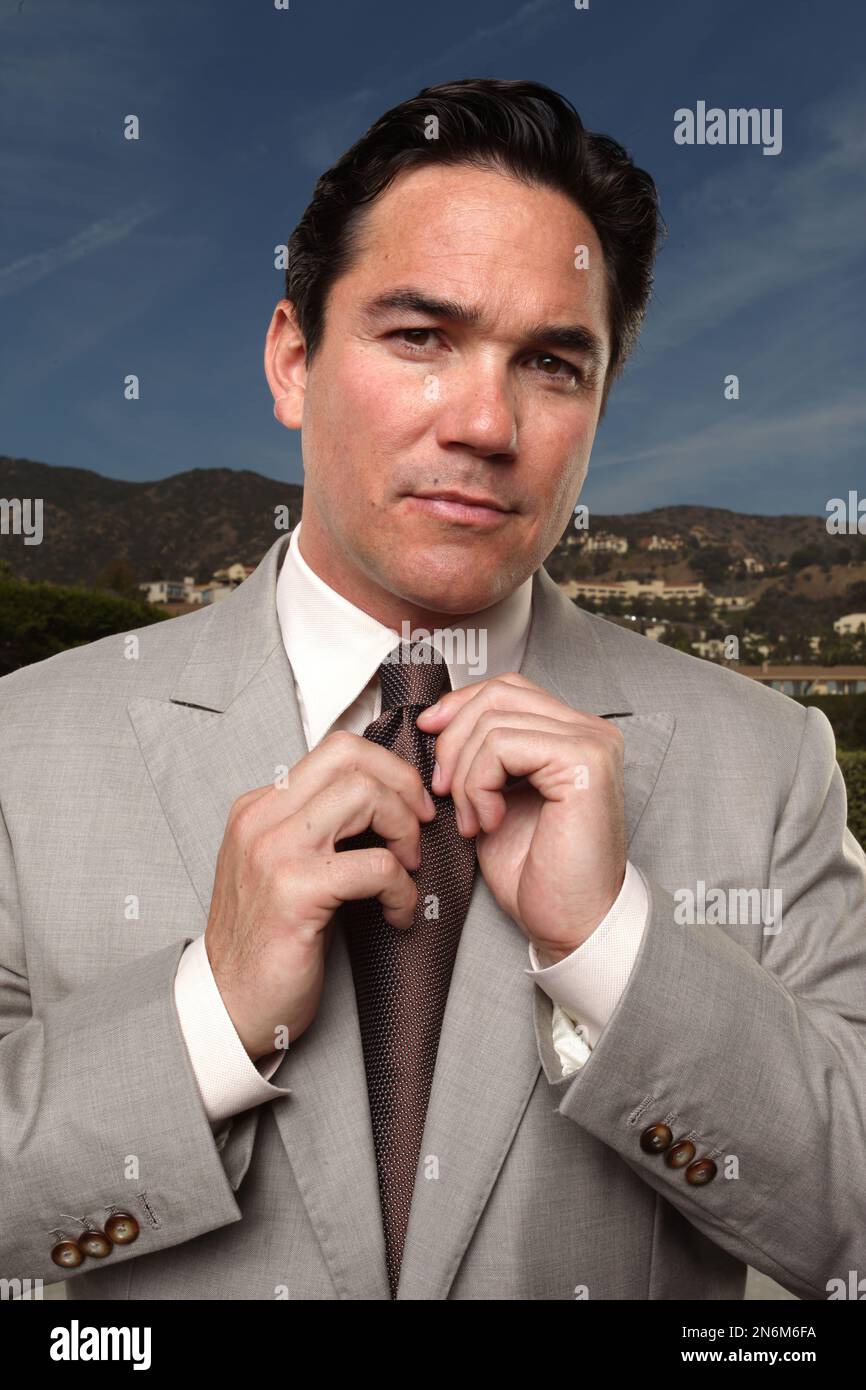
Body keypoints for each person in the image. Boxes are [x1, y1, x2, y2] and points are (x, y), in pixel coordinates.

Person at [1, 78, 864, 1302]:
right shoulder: (21, 752)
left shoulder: (770, 762)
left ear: (598, 407)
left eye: (554, 364)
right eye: (420, 338)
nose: (484, 421)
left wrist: (613, 948)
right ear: (293, 361)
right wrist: (205, 1017)